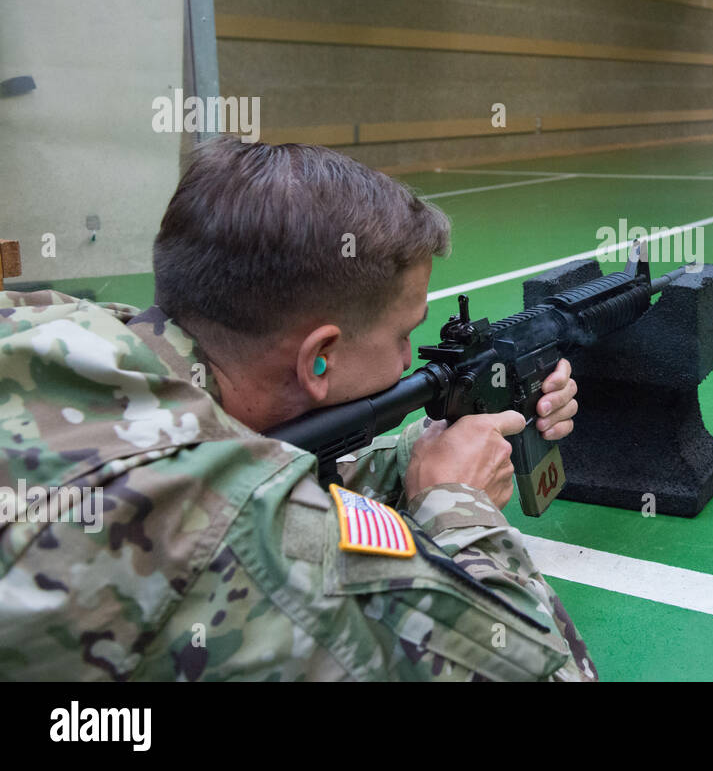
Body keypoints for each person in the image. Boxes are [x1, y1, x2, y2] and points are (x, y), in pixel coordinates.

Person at [0, 137, 596, 681]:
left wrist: (415, 454)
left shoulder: (48, 325)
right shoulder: (240, 533)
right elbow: (545, 668)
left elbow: (243, 455)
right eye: (404, 336)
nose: (410, 357)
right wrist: (457, 504)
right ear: (318, 358)